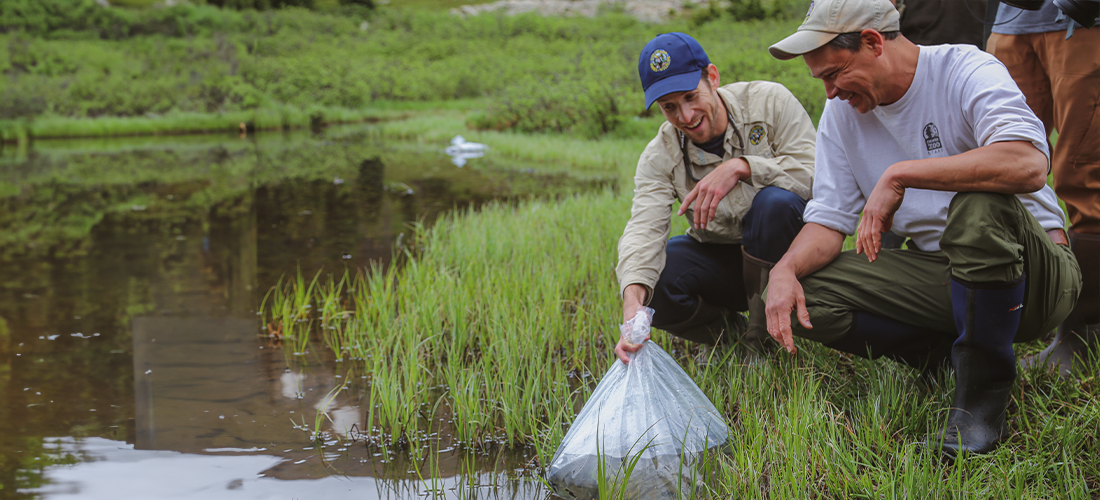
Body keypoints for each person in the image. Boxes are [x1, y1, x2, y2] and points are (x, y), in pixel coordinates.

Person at [765, 0, 1080, 457]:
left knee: (977, 206)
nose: (830, 92)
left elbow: (1028, 163)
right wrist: (784, 269)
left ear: (873, 42)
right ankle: (946, 357)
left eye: (834, 74)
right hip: (951, 276)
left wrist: (902, 174)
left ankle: (979, 408)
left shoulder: (964, 68)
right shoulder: (842, 115)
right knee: (803, 297)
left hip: (1036, 279)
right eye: (823, 81)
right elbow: (829, 220)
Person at [613, 33, 816, 364]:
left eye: (691, 96)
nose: (686, 116)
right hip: (724, 262)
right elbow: (643, 228)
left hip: (790, 260)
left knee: (773, 205)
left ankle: (764, 338)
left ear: (713, 76)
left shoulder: (770, 102)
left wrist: (744, 167)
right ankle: (735, 338)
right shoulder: (659, 156)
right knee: (654, 279)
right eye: (669, 107)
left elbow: (817, 175)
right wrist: (633, 301)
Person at [986, 3, 1100, 378]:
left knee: (1084, 177)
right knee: (998, 164)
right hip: (1012, 18)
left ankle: (1085, 335)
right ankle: (1035, 309)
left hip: (1084, 21)